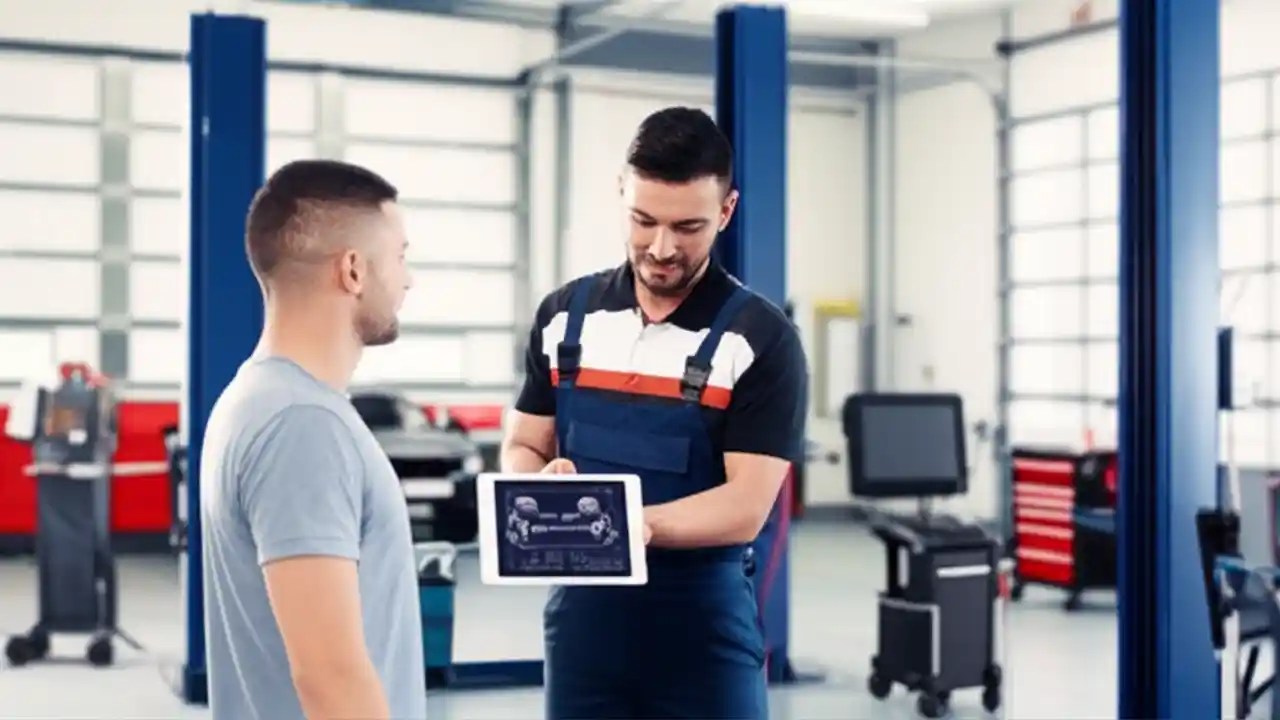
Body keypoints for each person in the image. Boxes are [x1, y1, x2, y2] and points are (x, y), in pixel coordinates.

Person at [501, 106, 809, 719]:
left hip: (702, 630)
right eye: (644, 220)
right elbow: (524, 444)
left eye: (688, 226)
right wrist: (535, 481)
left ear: (726, 211)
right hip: (584, 628)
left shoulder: (760, 339)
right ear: (621, 191)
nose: (662, 248)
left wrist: (628, 525)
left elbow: (747, 507)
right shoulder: (565, 317)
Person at [200, 159, 424, 720]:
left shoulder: (257, 399)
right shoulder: (302, 426)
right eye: (400, 256)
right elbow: (330, 677)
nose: (408, 278)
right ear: (353, 270)